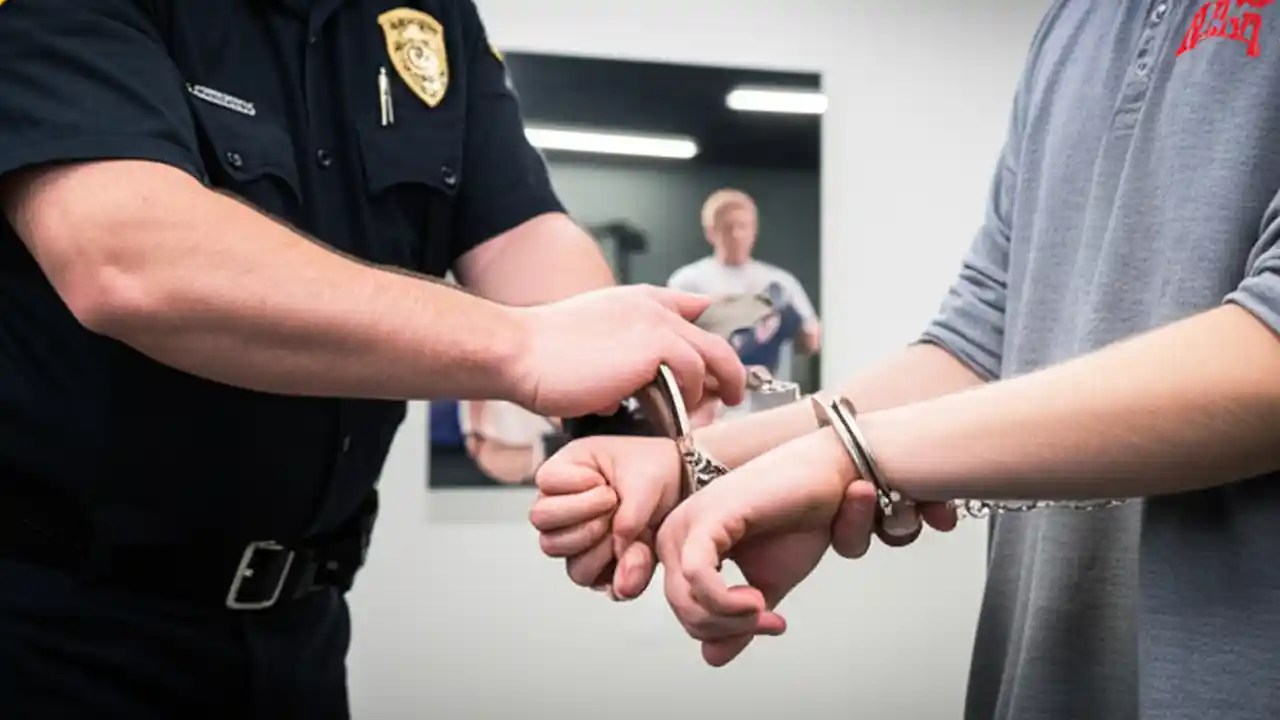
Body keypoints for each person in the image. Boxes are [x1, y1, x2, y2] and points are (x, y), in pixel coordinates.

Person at [530, 3, 1280, 718]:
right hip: (1047, 673)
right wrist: (696, 463)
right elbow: (982, 339)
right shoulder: (1072, 23)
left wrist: (846, 459)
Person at [0, 1, 745, 717]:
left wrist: (622, 418)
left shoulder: (429, 12)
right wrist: (525, 347)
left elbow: (519, 232)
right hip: (52, 625)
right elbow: (127, 259)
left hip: (299, 629)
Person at [667, 189, 822, 379]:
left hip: (767, 391)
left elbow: (810, 339)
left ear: (754, 230)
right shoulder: (687, 281)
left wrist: (785, 324)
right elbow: (670, 337)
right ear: (710, 231)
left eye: (742, 226)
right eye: (727, 227)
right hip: (709, 391)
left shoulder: (781, 283)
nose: (736, 234)